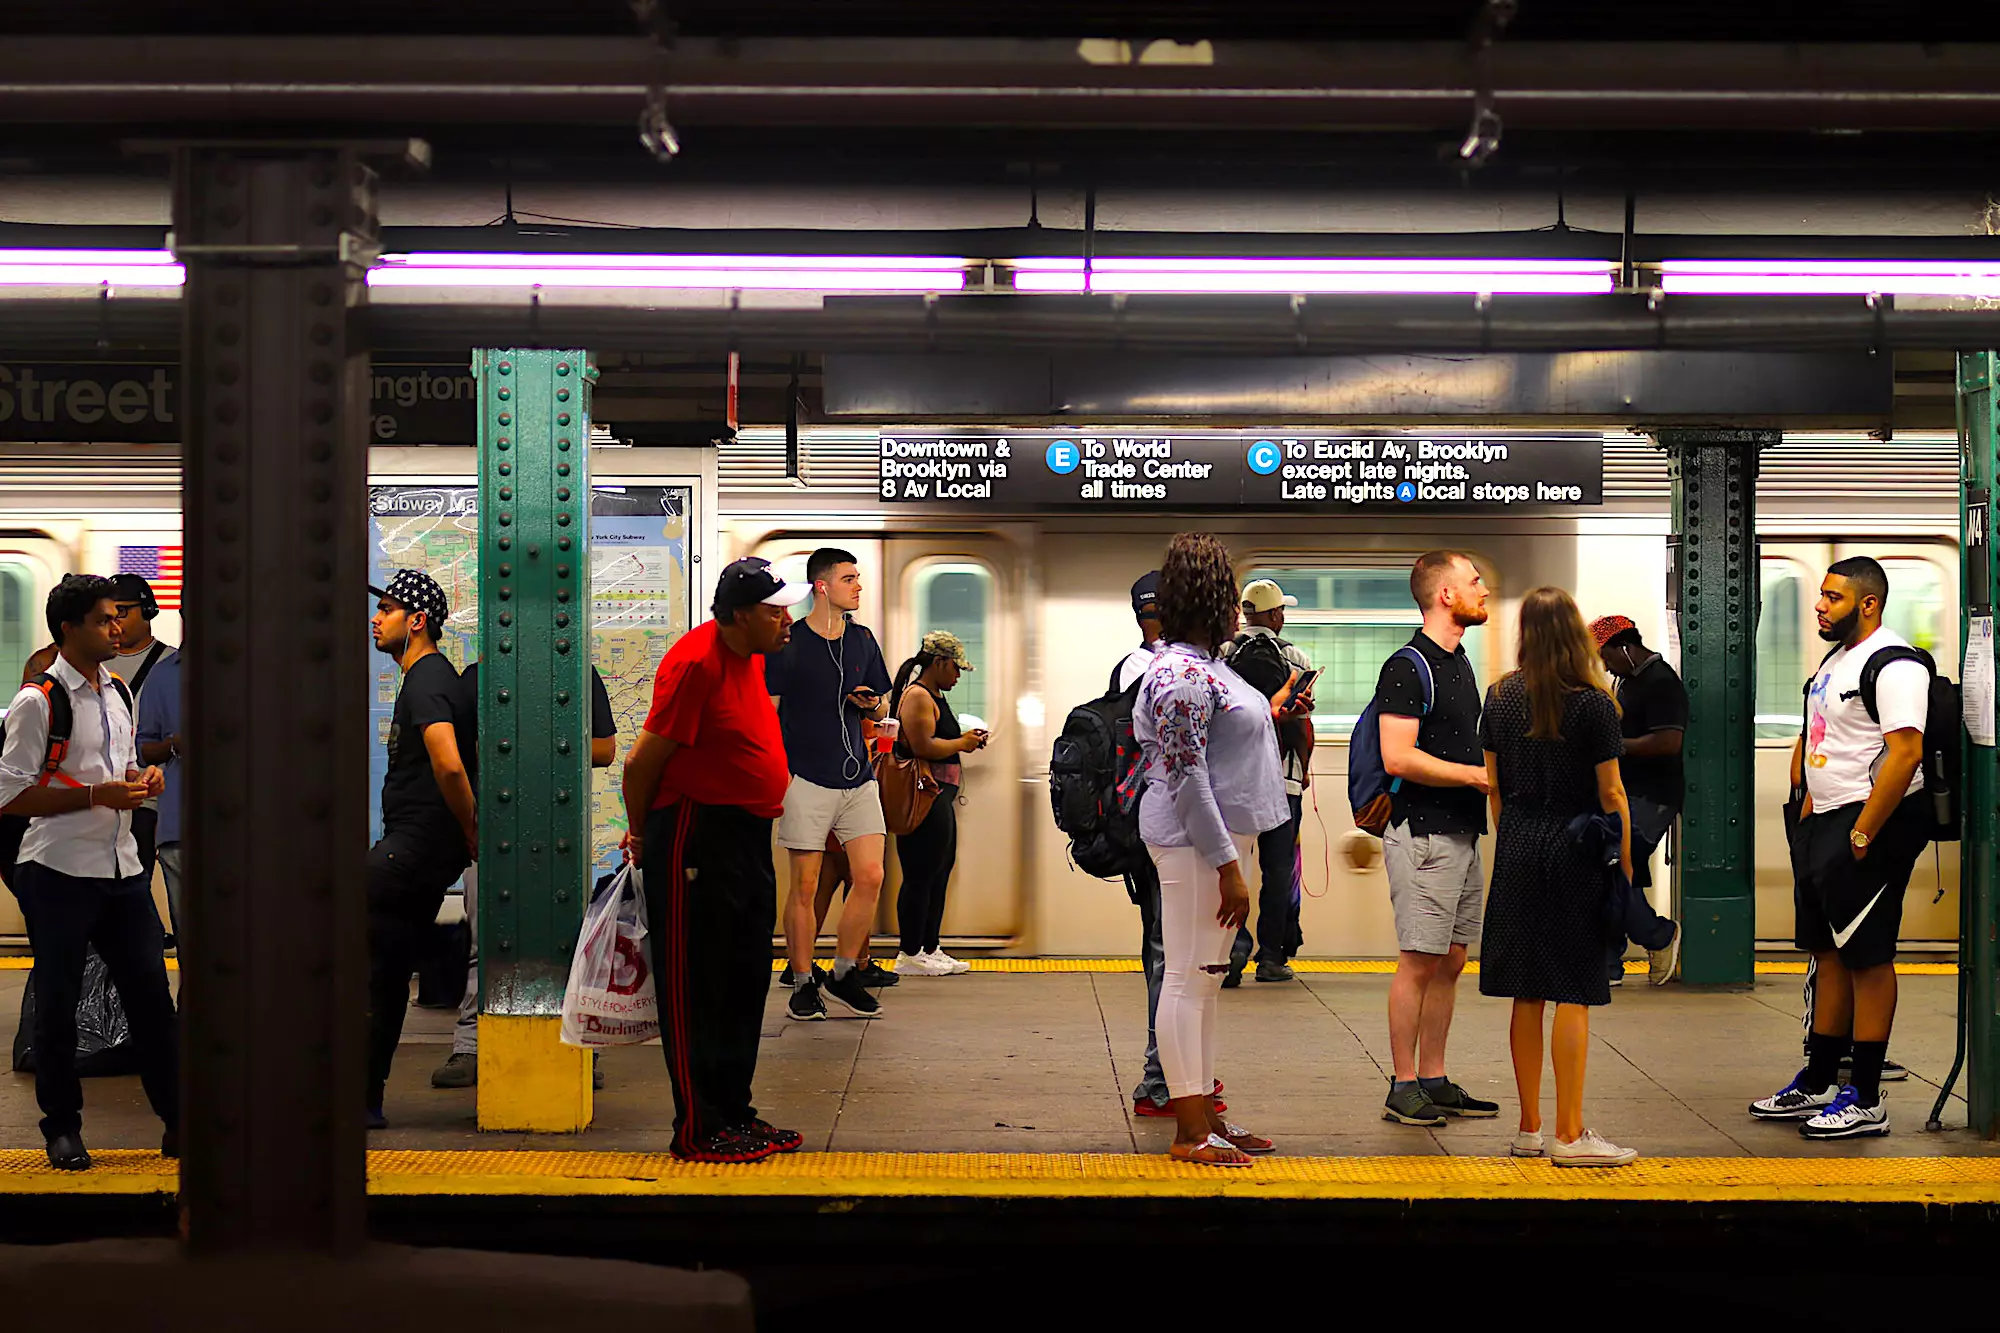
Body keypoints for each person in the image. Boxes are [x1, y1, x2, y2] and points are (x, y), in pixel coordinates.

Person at [621, 556, 807, 1163]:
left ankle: (735, 1113)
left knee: (743, 977)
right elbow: (641, 762)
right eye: (779, 611)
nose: (789, 621)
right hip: (693, 832)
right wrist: (640, 833)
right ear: (745, 614)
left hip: (746, 834)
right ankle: (698, 1127)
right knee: (699, 982)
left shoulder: (749, 655)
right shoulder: (695, 663)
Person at [0, 574, 177, 1170]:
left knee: (153, 1000)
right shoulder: (38, 701)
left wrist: (141, 779)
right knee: (59, 1001)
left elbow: (125, 767)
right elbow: (9, 796)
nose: (117, 628)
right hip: (57, 873)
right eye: (105, 619)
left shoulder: (119, 694)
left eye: (119, 618)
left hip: (122, 872)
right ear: (68, 628)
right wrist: (97, 796)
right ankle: (62, 1128)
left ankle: (179, 1120)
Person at [1751, 556, 1931, 1139]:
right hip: (1823, 823)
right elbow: (1817, 734)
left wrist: (1862, 832)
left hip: (1866, 825)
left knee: (1868, 957)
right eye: (1822, 595)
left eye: (1833, 597)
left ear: (1868, 603)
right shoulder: (1837, 661)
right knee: (1827, 953)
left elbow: (1905, 753)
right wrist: (1806, 807)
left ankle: (1868, 1096)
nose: (1820, 606)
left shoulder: (1896, 665)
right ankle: (1821, 1079)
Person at [1135, 533, 1286, 1166]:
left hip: (1222, 841)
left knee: (1205, 980)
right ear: (1208, 601)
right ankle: (1189, 1129)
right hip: (1196, 844)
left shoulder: (1211, 668)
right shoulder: (1178, 676)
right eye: (1230, 598)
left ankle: (1205, 1117)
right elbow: (1186, 773)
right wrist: (1229, 866)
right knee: (1187, 981)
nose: (1239, 611)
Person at [1479, 587, 1640, 1167]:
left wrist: (1514, 838)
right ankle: (1570, 1135)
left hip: (1519, 846)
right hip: (1575, 848)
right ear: (1575, 634)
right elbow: (1612, 791)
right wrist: (1623, 861)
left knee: (1527, 988)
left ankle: (1529, 1128)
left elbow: (1494, 787)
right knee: (1575, 987)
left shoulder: (1498, 697)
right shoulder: (1595, 703)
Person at [431, 662, 619, 1091]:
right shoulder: (477, 678)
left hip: (558, 829)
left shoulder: (579, 673)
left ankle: (577, 1047)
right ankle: (470, 1044)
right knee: (483, 940)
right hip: (491, 830)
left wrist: (521, 745)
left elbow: (605, 749)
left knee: (567, 942)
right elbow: (458, 753)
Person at [1375, 551, 1499, 1127]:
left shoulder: (1459, 662)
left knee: (1450, 959)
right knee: (1418, 960)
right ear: (1445, 594)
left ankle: (1434, 1076)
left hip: (1460, 832)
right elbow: (1397, 755)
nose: (1484, 589)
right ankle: (1402, 1084)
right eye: (1474, 581)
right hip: (1422, 833)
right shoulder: (1408, 666)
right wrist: (1478, 777)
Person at [364, 569, 476, 1129]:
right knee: (381, 972)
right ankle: (365, 1097)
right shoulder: (422, 677)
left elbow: (448, 760)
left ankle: (359, 1094)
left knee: (364, 963)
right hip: (418, 848)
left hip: (412, 850)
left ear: (418, 621)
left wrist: (470, 827)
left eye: (386, 609)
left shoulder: (429, 678)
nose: (375, 619)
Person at [765, 547, 894, 1022]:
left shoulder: (862, 640)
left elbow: (882, 709)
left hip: (857, 777)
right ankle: (802, 982)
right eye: (849, 578)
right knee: (805, 884)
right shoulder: (790, 642)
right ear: (822, 586)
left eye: (858, 577)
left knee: (871, 875)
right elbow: (770, 710)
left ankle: (841, 972)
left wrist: (870, 706)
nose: (858, 586)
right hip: (806, 778)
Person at [1220, 577, 1313, 985]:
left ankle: (1232, 952)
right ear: (1274, 614)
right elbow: (1304, 724)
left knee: (1233, 866)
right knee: (1278, 870)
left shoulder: (1223, 654)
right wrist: (1304, 769)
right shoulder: (1297, 657)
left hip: (1235, 779)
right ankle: (1272, 957)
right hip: (1282, 781)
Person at [887, 631, 989, 976]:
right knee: (920, 873)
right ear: (940, 663)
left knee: (939, 871)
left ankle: (930, 947)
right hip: (924, 796)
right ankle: (910, 952)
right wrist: (961, 742)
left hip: (938, 795)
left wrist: (963, 741)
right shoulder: (917, 697)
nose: (958, 676)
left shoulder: (934, 695)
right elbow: (923, 746)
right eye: (956, 669)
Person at [1589, 616, 1684, 986]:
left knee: (1612, 869)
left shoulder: (1660, 684)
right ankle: (1608, 964)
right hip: (1629, 793)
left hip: (1652, 797)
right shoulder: (1628, 680)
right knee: (1615, 870)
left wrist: (1612, 747)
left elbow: (1668, 742)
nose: (1604, 665)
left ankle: (1659, 935)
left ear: (1625, 648)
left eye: (1606, 656)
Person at [107, 573, 175, 895]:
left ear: (147, 610)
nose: (115, 622)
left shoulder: (173, 664)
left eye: (123, 611)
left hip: (147, 803)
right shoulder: (95, 664)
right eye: (108, 613)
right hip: (100, 798)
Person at [133, 643, 185, 943]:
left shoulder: (258, 671)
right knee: (191, 945)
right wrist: (174, 744)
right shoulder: (162, 675)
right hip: (179, 827)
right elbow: (144, 749)